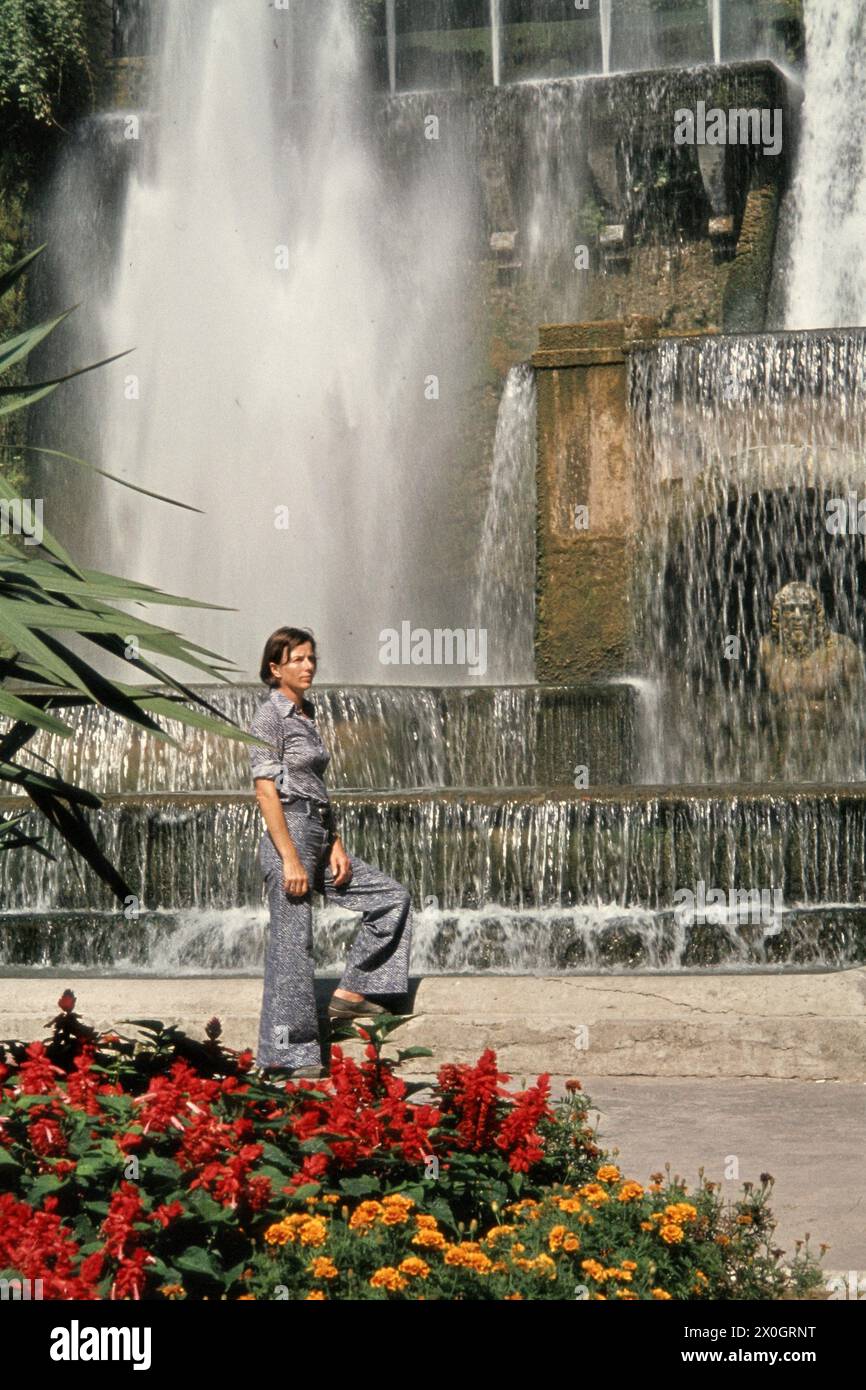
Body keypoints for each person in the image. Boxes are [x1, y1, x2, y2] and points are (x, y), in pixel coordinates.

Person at [248, 625, 413, 1078]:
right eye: (297, 659)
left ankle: (356, 990)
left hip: (317, 833)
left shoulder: (306, 715)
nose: (308, 666)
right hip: (291, 835)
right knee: (292, 948)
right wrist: (290, 859)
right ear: (274, 667)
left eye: (311, 658)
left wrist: (335, 841)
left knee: (390, 897)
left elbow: (316, 786)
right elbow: (266, 792)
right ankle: (288, 1056)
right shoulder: (270, 717)